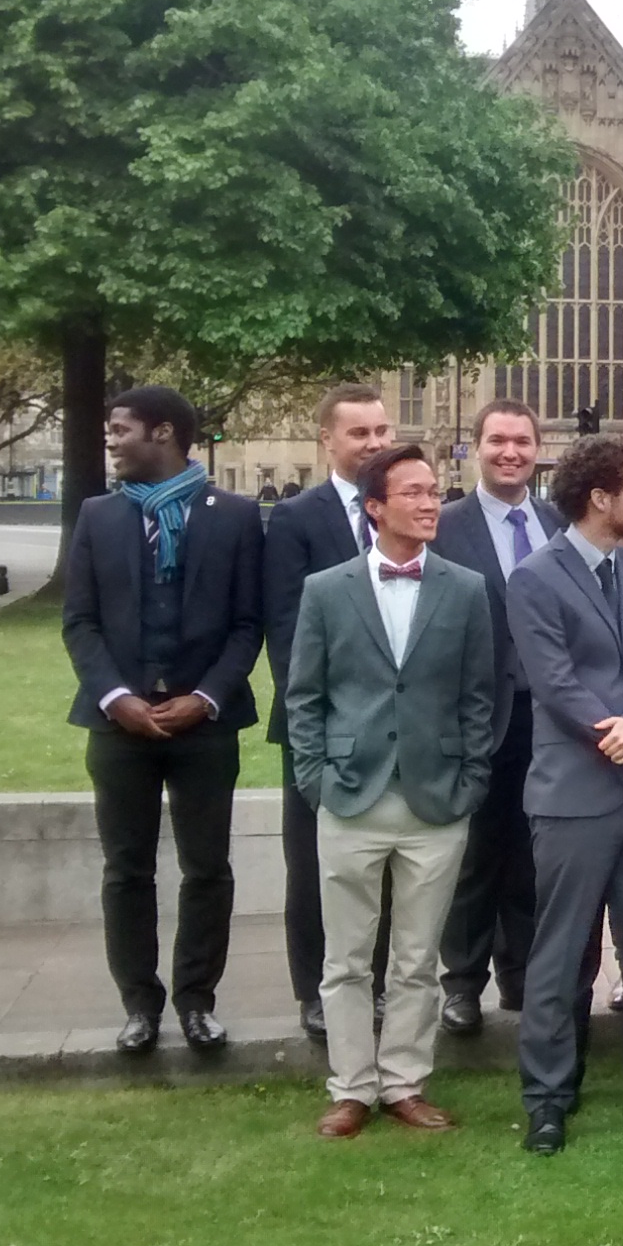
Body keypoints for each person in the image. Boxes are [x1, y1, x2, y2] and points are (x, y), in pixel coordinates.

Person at [286, 444, 497, 1139]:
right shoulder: (326, 589)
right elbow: (304, 697)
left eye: (436, 490)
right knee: (345, 957)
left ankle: (404, 1081)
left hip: (438, 800)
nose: (432, 502)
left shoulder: (466, 589)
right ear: (375, 507)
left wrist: (471, 780)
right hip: (350, 794)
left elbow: (480, 696)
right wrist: (317, 778)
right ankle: (351, 1087)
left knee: (416, 957)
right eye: (414, 492)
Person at [61, 385, 263, 1055]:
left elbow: (247, 624)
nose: (111, 440)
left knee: (208, 868)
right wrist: (116, 696)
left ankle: (197, 1002)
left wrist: (205, 697)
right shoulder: (97, 517)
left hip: (205, 726)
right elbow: (80, 623)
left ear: (165, 432)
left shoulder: (235, 517)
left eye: (120, 429)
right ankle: (139, 1006)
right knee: (127, 869)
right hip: (119, 727)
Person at [510, 435, 623, 1152]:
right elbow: (556, 686)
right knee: (560, 959)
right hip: (574, 800)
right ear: (599, 498)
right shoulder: (536, 577)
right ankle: (549, 1099)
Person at [264, 383, 399, 1041]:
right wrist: (321, 720)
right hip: (320, 728)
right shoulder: (296, 520)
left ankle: (375, 985)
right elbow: (286, 634)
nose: (374, 443)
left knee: (385, 866)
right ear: (328, 440)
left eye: (381, 431)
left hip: (394, 725)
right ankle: (315, 993)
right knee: (315, 865)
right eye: (359, 433)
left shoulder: (403, 510)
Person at [433, 401, 561, 1037]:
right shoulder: (446, 525)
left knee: (534, 856)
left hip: (551, 720)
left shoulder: (561, 522)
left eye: (522, 442)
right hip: (477, 716)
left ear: (538, 450)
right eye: (497, 441)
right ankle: (461, 982)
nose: (510, 453)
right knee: (475, 854)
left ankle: (522, 978)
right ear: (476, 447)